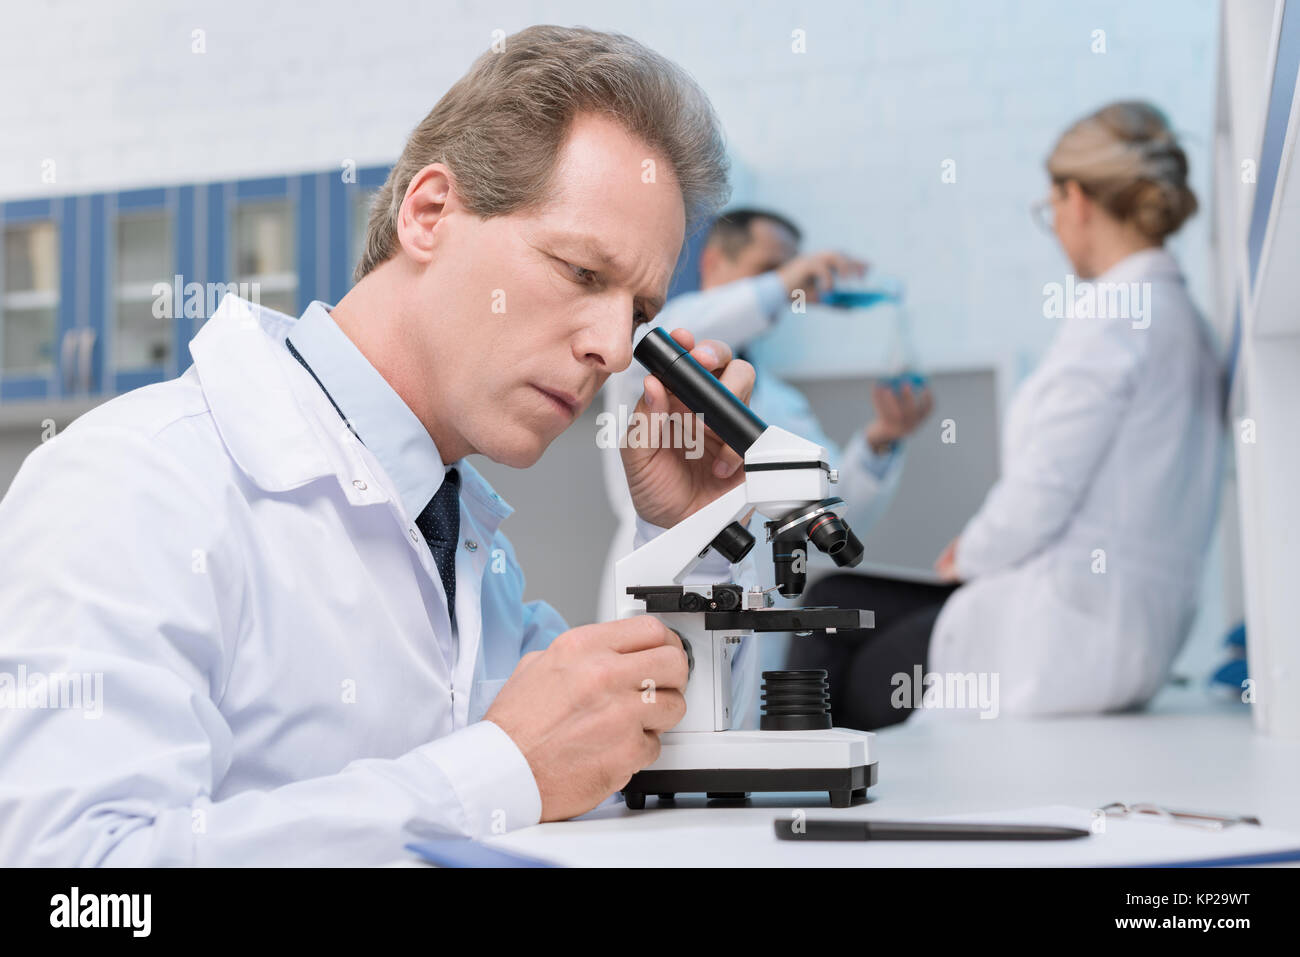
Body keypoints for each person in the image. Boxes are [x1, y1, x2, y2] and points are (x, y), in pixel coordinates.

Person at [0, 26, 758, 866]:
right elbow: (75, 878)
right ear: (430, 213)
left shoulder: (458, 537)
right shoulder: (135, 482)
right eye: (582, 273)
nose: (614, 349)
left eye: (640, 313)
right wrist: (495, 771)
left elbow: (637, 762)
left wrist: (692, 541)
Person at [790, 101, 1224, 728]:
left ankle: (801, 799)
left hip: (1062, 635)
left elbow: (1043, 492)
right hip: (1133, 631)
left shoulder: (1114, 319)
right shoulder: (1188, 323)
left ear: (1076, 199)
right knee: (834, 601)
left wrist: (970, 554)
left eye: (1051, 210)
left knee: (844, 657)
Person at [598, 209, 933, 634]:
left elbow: (825, 504)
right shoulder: (656, 347)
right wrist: (783, 284)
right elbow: (656, 337)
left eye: (792, 268)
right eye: (771, 268)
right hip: (661, 579)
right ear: (714, 261)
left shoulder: (780, 399)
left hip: (752, 599)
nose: (791, 282)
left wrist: (884, 437)